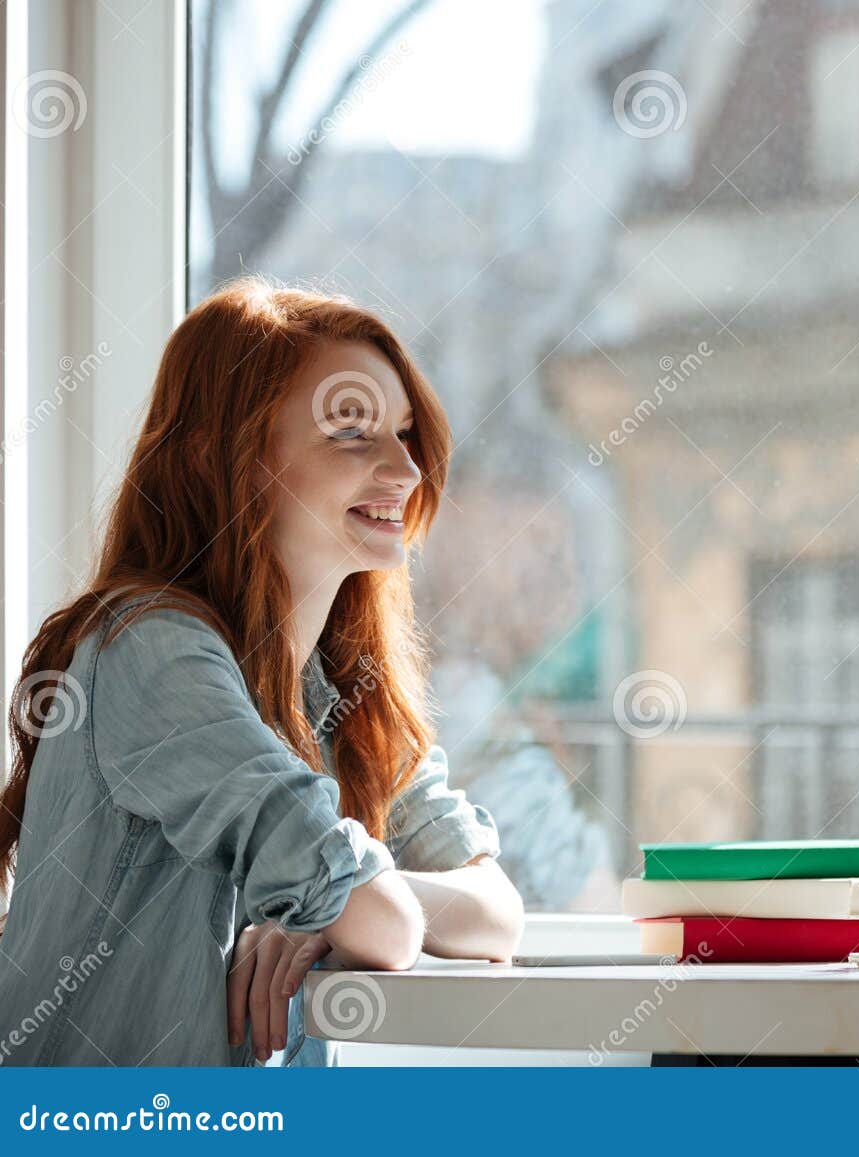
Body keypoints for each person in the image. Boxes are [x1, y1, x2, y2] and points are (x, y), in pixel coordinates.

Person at [0, 280, 525, 1066]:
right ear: (234, 459)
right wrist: (347, 902)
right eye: (353, 433)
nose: (406, 470)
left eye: (406, 434)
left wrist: (320, 912)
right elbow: (383, 923)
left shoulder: (341, 690)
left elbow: (495, 912)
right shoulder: (151, 651)